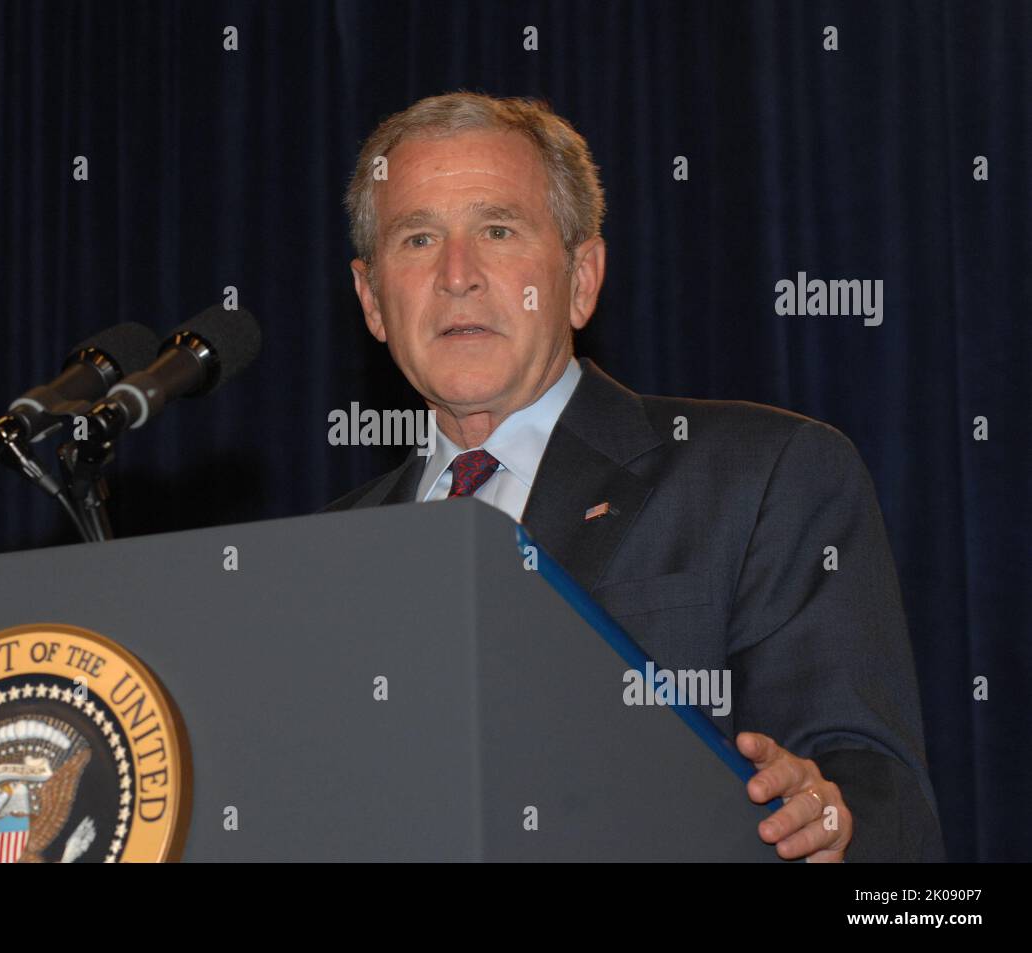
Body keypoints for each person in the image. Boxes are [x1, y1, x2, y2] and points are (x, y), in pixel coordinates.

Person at [325, 91, 944, 862]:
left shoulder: (764, 474)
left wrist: (829, 826)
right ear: (372, 298)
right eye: (417, 237)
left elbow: (884, 808)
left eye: (497, 228)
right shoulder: (331, 555)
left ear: (581, 277)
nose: (458, 274)